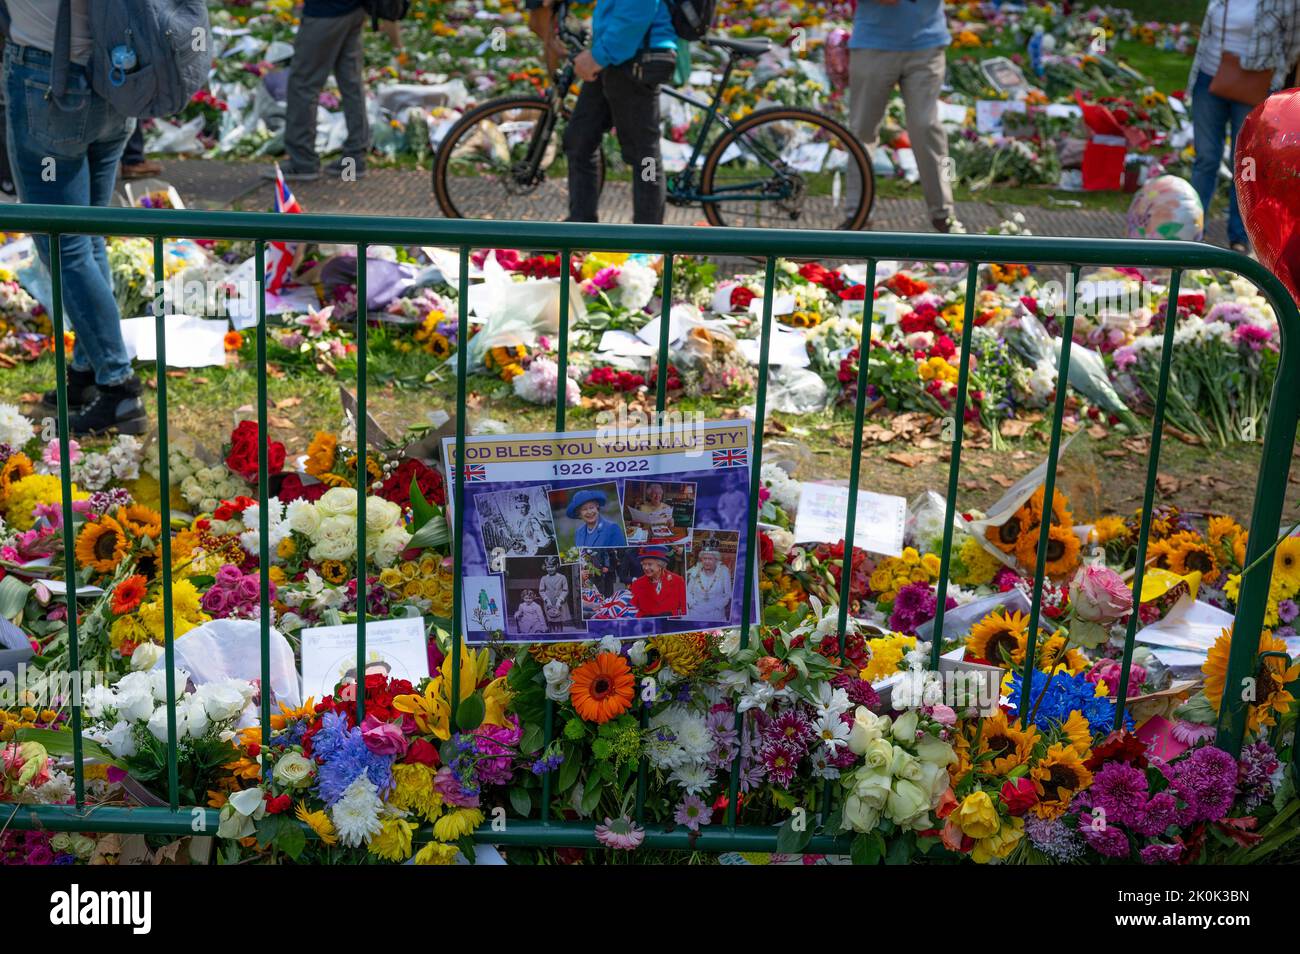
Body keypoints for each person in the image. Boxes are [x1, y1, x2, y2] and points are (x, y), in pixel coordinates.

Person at [5, 0, 147, 435]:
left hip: (50, 81)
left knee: (64, 244)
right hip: (115, 81)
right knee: (86, 239)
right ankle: (88, 372)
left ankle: (118, 386)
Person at [1189, 0, 1300, 253]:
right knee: (1205, 158)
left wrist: (1275, 75)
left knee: (1245, 163)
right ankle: (1193, 233)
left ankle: (1240, 237)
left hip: (1256, 81)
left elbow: (1294, 41)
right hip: (1209, 78)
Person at [847, 0, 961, 233]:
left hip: (926, 44)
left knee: (926, 126)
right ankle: (857, 216)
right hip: (873, 44)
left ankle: (943, 214)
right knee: (862, 131)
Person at [563, 0, 678, 224]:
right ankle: (580, 228)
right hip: (613, 53)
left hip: (636, 56)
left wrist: (598, 56)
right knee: (579, 139)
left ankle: (647, 239)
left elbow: (636, 13)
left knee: (644, 155)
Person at [269, 0, 371, 182]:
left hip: (324, 12)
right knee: (351, 85)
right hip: (354, 9)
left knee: (303, 84)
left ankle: (302, 162)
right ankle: (355, 158)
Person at [628, 545, 687, 618]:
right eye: (644, 564)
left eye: (649, 564)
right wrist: (644, 617)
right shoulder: (637, 584)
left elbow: (684, 609)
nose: (646, 568)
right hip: (648, 626)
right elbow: (633, 610)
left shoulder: (678, 580)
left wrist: (671, 614)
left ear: (660, 565)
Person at [686, 544, 732, 619]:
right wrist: (693, 605)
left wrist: (716, 607)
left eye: (710, 559)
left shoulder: (724, 572)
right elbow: (688, 592)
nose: (707, 561)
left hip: (716, 613)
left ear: (716, 560)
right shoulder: (695, 570)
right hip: (695, 612)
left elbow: (728, 594)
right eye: (705, 558)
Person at [538, 557, 571, 631]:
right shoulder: (544, 578)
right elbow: (541, 591)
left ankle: (559, 635)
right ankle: (552, 635)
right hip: (549, 602)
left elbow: (565, 590)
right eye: (548, 567)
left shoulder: (562, 577)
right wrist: (547, 600)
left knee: (559, 621)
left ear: (556, 566)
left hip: (559, 602)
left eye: (552, 567)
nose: (550, 569)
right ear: (545, 567)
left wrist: (560, 600)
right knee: (550, 621)